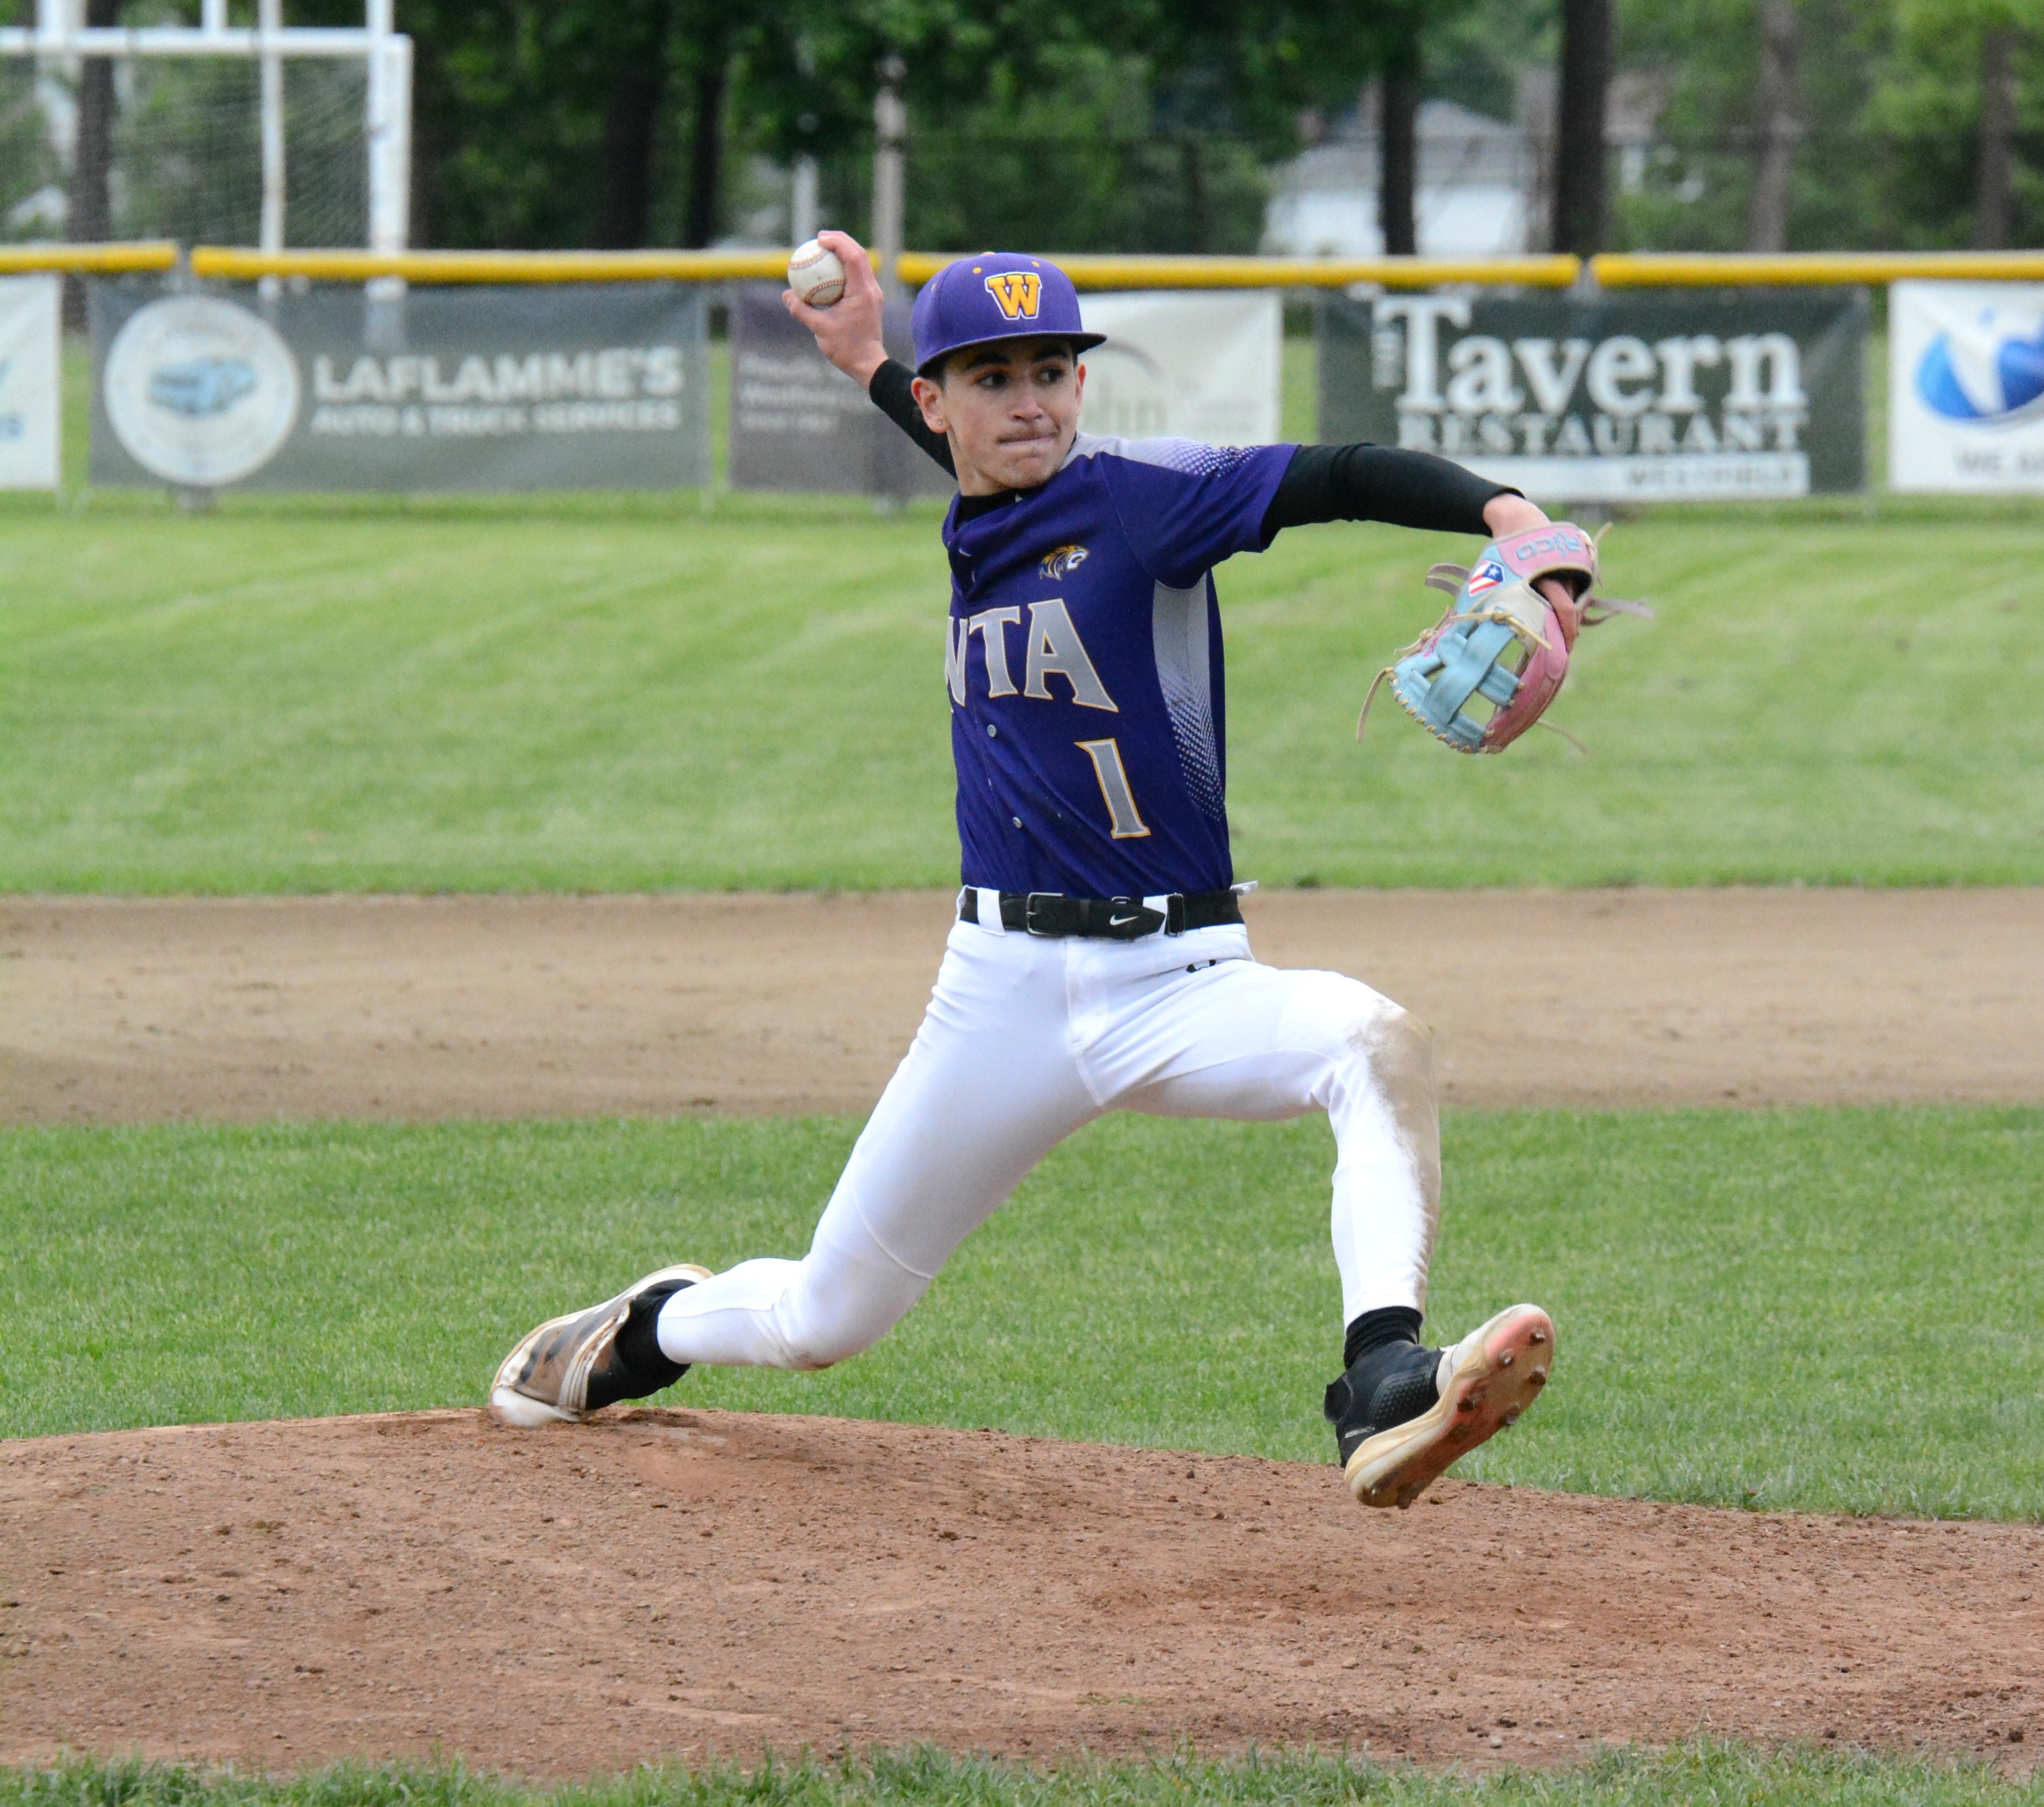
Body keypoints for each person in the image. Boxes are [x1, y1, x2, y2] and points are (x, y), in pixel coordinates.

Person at [489, 234, 1573, 1511]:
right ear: (943, 405)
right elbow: (965, 443)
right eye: (993, 377)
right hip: (999, 994)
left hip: (1186, 981)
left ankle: (1385, 1375)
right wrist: (870, 363)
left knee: (1376, 1043)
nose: (1031, 401)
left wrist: (1506, 513)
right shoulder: (984, 506)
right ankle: (647, 1330)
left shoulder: (1147, 499)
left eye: (1052, 370)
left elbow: (1330, 475)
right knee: (825, 1317)